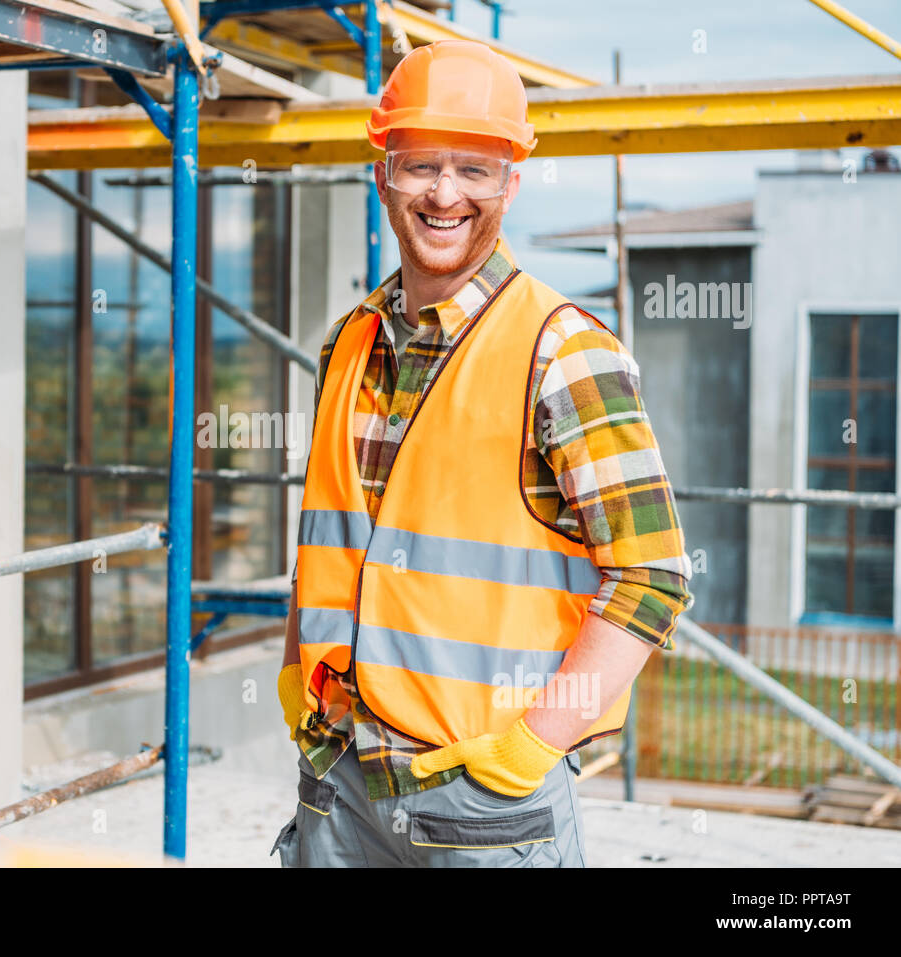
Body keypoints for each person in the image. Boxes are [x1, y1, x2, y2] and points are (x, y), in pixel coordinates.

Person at [271, 39, 694, 868]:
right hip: (339, 775)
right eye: (421, 165)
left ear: (511, 182)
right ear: (383, 170)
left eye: (474, 169)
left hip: (486, 805)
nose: (443, 193)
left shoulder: (562, 350)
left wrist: (535, 744)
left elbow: (654, 576)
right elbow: (336, 540)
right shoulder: (349, 343)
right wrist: (298, 671)